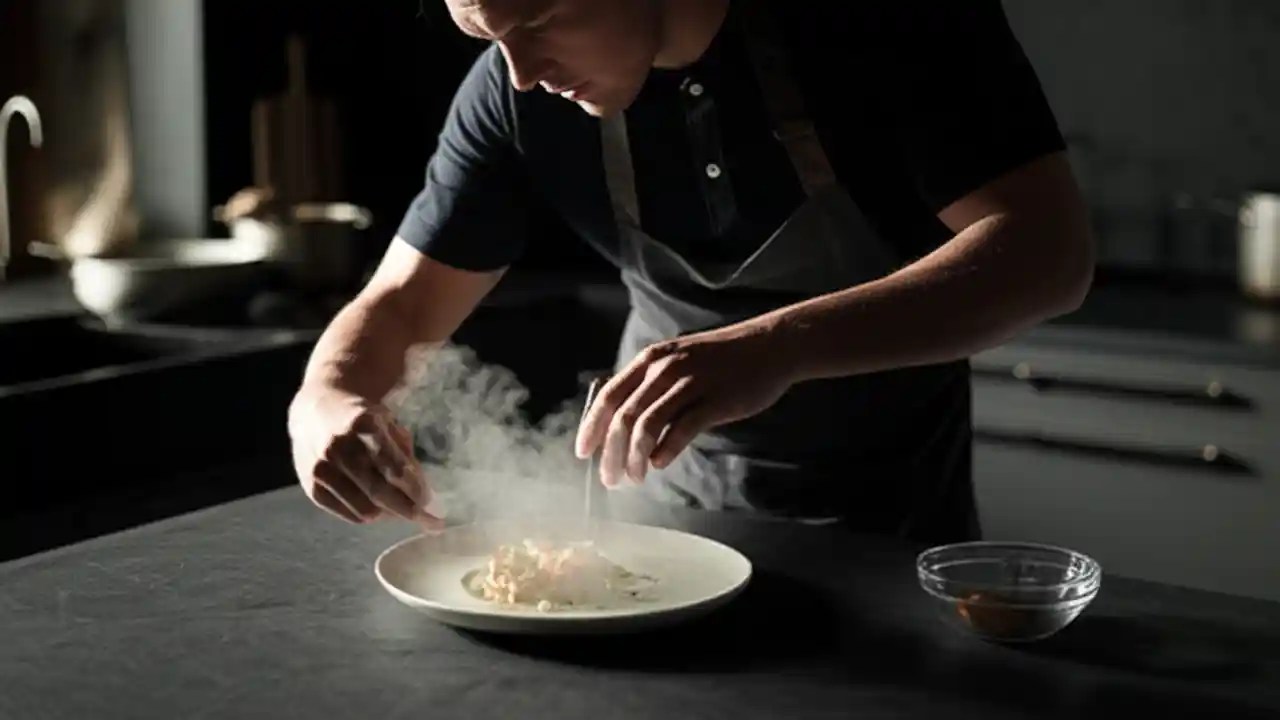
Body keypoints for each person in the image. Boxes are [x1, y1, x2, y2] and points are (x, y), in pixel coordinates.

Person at [286, 0, 1094, 545]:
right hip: (658, 522)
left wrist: (777, 345)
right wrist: (328, 396)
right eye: (489, 36)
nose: (522, 71)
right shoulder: (515, 92)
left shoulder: (887, 20)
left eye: (537, 19)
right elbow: (400, 303)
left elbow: (1046, 254)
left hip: (889, 522)